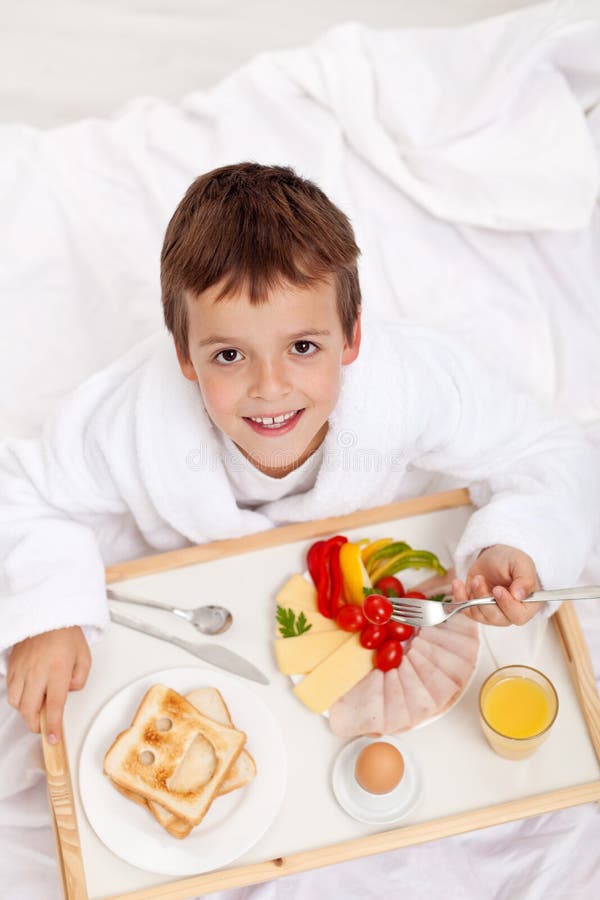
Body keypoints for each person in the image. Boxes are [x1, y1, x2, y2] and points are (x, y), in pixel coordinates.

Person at [2, 162, 598, 745]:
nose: (270, 387)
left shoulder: (413, 384)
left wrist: (517, 541)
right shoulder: (129, 422)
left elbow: (550, 447)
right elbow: (25, 489)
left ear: (352, 337)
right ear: (184, 356)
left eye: (304, 346)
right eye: (229, 356)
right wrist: (50, 615)